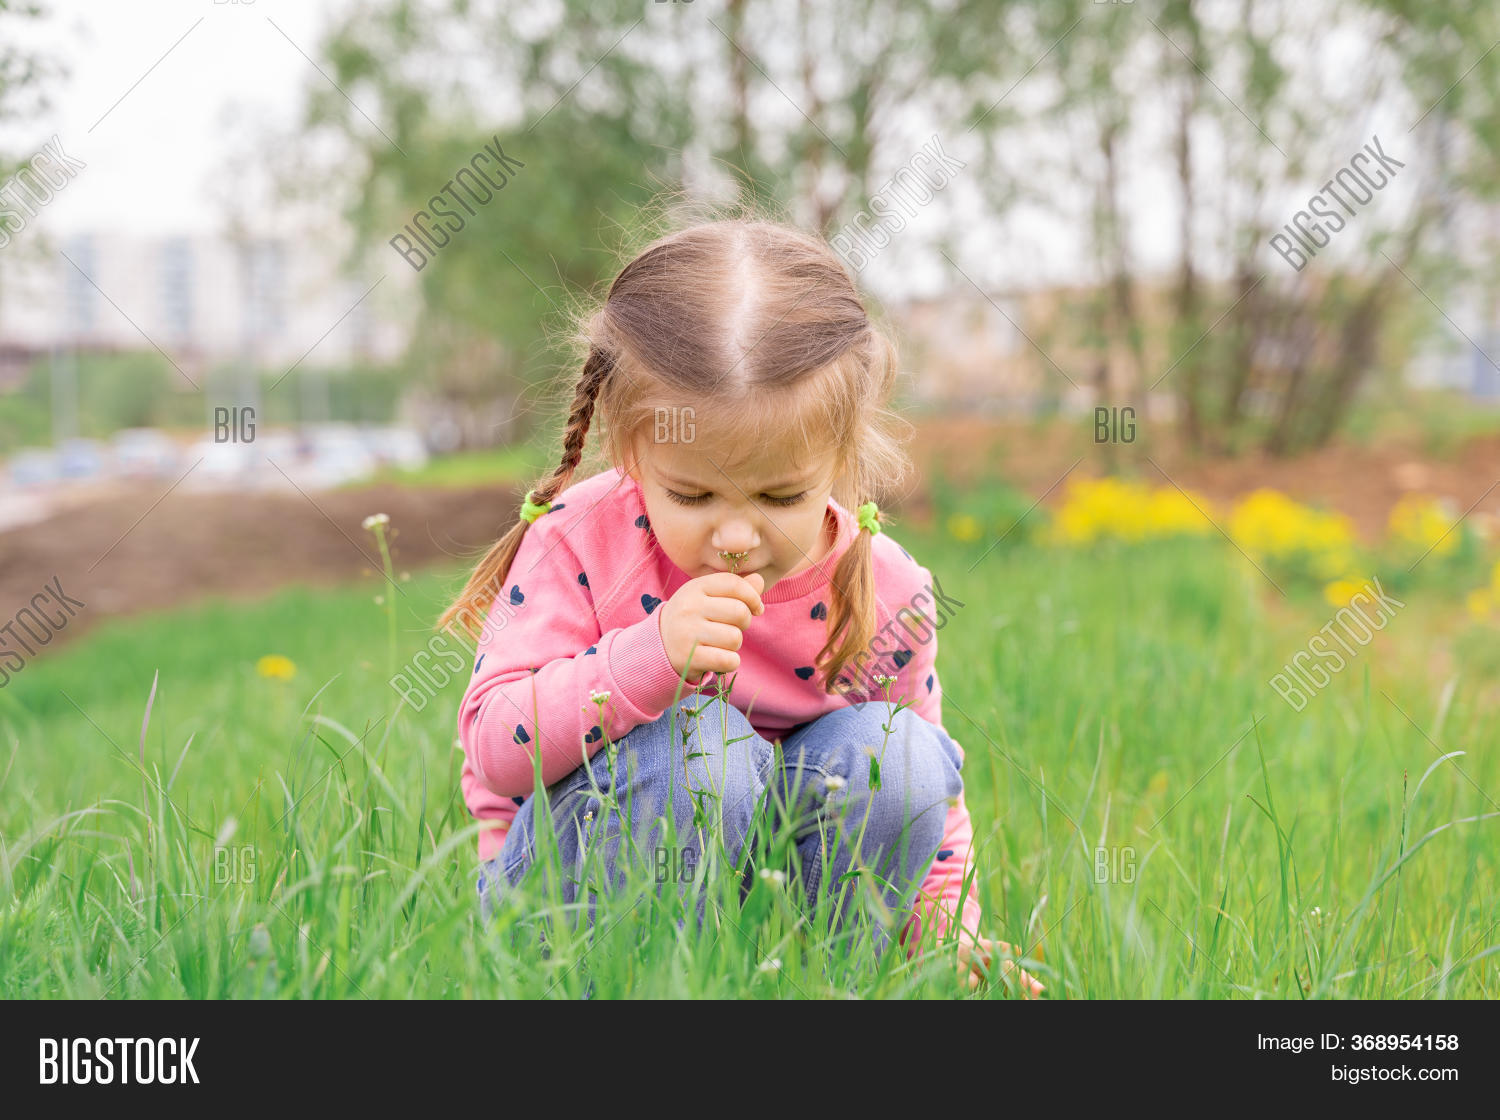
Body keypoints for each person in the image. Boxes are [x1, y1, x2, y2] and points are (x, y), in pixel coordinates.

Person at [442, 216, 1041, 996]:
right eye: (692, 495)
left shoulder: (885, 591)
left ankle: (819, 983)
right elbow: (495, 748)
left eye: (780, 496)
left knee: (895, 755)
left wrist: (948, 934)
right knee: (702, 754)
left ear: (842, 455)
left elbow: (933, 795)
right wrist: (648, 657)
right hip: (570, 905)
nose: (734, 537)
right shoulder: (580, 542)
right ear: (631, 449)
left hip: (767, 898)